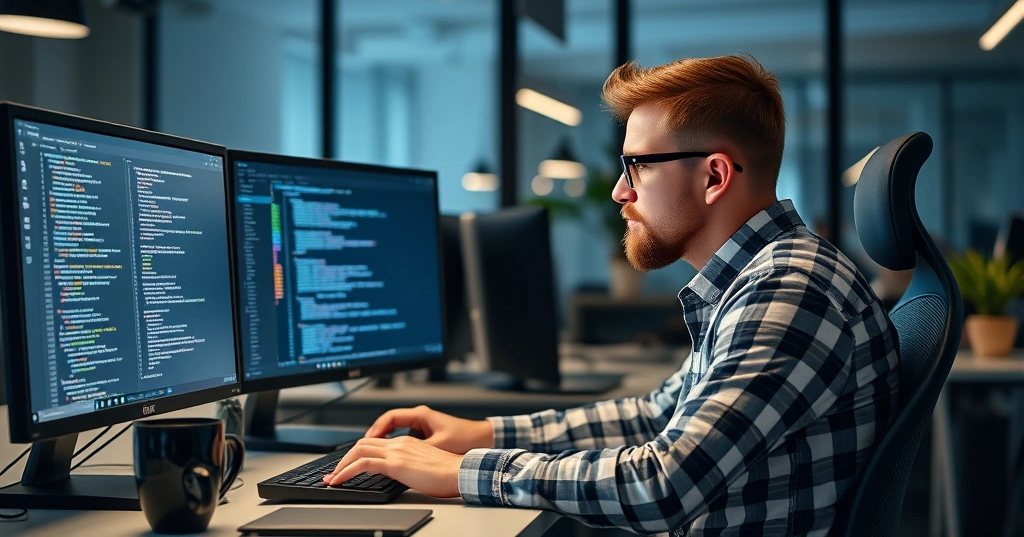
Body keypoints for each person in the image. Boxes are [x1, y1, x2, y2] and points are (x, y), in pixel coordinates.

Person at [324, 55, 900, 536]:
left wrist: (463, 472)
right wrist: (484, 434)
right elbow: (656, 415)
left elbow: (663, 485)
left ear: (714, 176)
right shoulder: (760, 280)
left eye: (637, 166)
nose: (620, 191)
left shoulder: (790, 289)